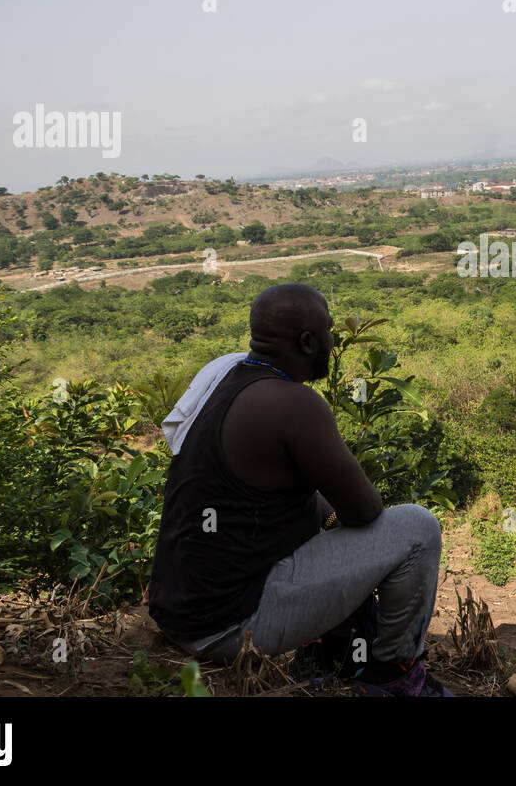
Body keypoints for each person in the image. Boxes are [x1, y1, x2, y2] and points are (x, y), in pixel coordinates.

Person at [148, 283, 451, 696]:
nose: (333, 340)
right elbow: (364, 509)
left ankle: (327, 654)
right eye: (328, 330)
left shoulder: (224, 374)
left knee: (322, 517)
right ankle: (395, 677)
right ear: (308, 342)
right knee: (416, 527)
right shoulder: (296, 404)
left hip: (178, 613)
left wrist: (325, 512)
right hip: (227, 629)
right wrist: (331, 512)